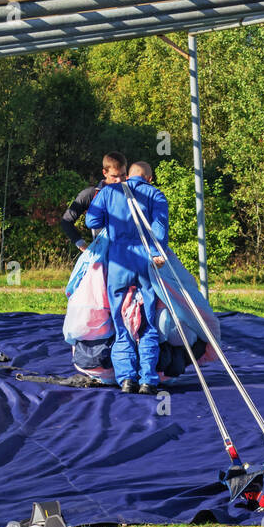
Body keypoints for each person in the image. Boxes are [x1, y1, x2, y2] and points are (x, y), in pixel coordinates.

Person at [85, 161, 169, 393]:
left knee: (121, 323)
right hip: (145, 262)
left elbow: (91, 221)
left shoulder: (109, 192)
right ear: (149, 178)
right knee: (148, 323)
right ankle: (148, 380)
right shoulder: (155, 195)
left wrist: (111, 221)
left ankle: (126, 379)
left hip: (118, 262)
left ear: (127, 175)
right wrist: (156, 253)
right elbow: (159, 228)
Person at [60, 152, 127, 253]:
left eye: (123, 175)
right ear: (104, 173)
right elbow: (66, 221)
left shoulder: (133, 192)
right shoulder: (91, 194)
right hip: (104, 255)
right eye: (114, 176)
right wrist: (83, 246)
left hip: (130, 255)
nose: (119, 180)